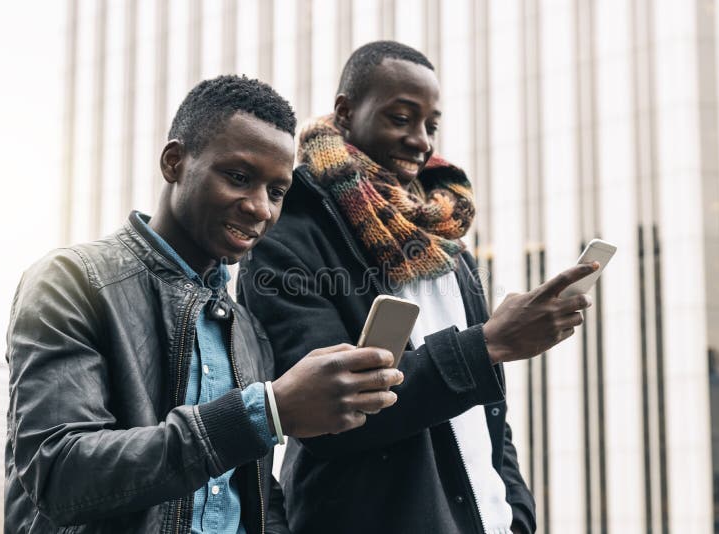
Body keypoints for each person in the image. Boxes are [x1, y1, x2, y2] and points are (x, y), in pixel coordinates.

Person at [4, 75, 404, 533]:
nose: (260, 208)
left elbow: (254, 493)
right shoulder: (72, 281)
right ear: (174, 162)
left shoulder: (248, 332)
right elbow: (60, 475)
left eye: (277, 192)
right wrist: (265, 413)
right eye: (239, 177)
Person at [238, 41, 596, 534]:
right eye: (401, 118)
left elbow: (490, 419)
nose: (420, 141)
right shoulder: (290, 238)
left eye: (431, 124)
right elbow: (325, 420)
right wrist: (488, 344)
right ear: (345, 114)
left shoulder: (446, 242)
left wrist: (516, 514)